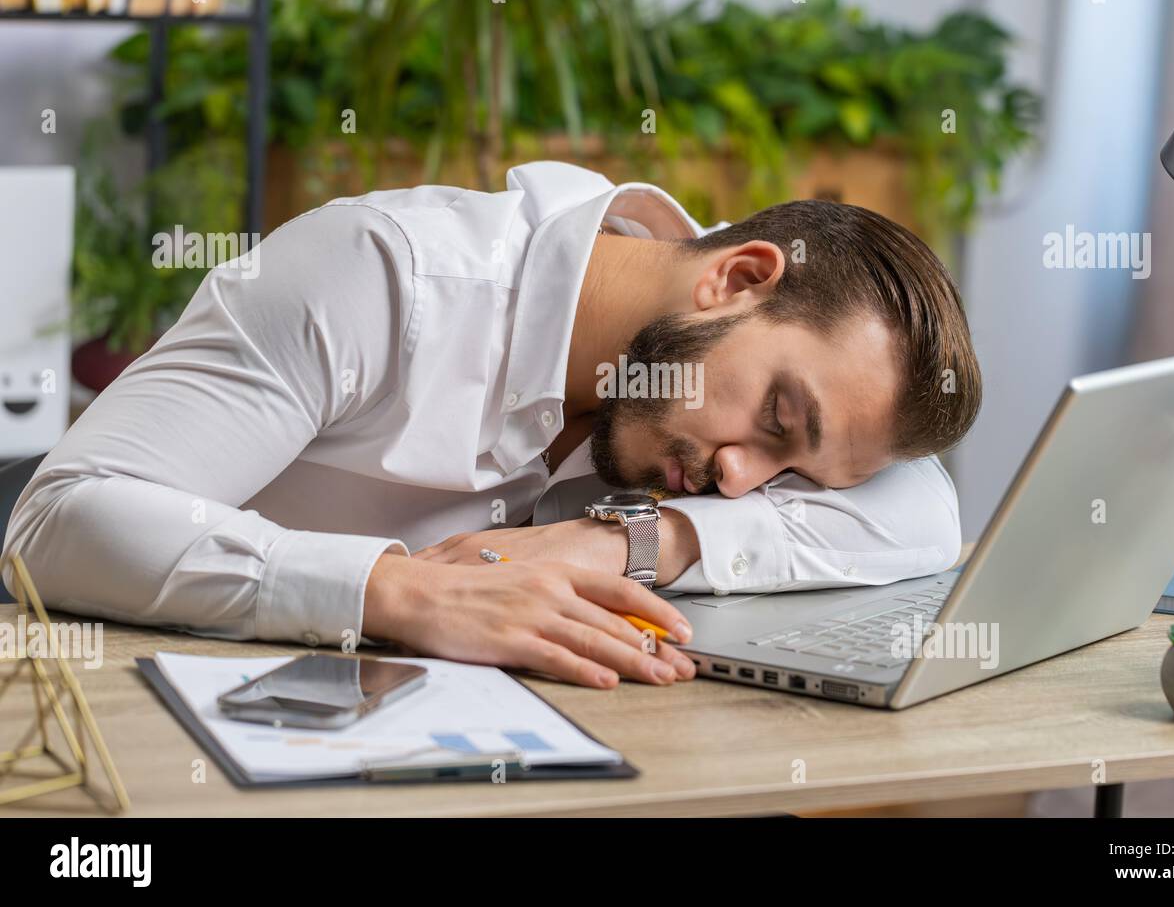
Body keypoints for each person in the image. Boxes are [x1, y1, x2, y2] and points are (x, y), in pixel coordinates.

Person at [2, 162, 981, 689]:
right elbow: (54, 524)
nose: (740, 476)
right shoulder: (378, 273)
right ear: (736, 278)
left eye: (791, 464)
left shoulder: (685, 423)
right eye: (777, 418)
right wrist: (398, 590)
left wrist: (620, 542)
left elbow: (923, 513)